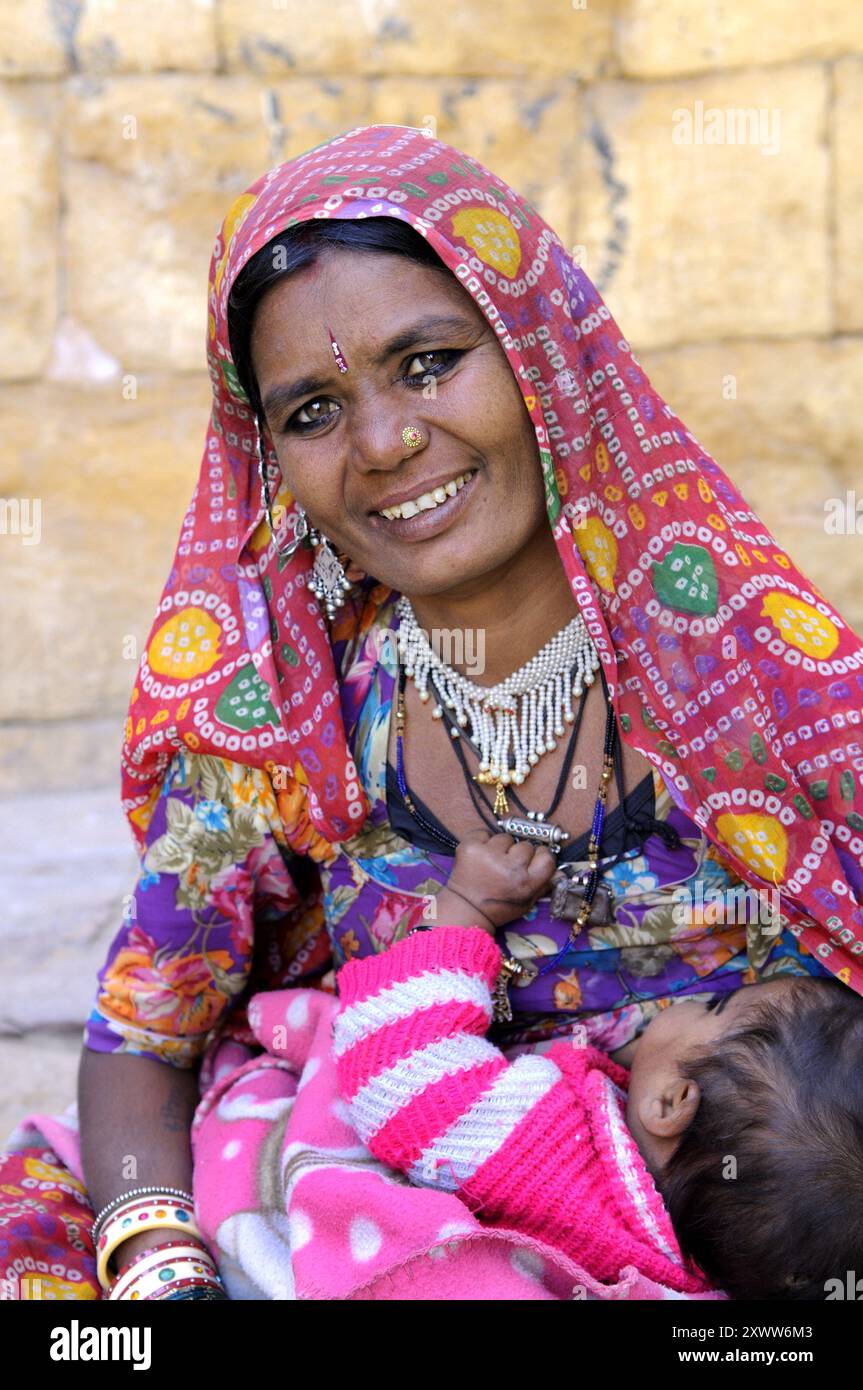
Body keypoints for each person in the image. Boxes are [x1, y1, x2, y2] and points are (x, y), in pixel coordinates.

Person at [3, 123, 862, 1300]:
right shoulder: (274, 728)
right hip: (349, 1239)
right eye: (309, 411)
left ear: (538, 359)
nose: (384, 441)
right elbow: (147, 1030)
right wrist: (161, 1266)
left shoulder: (749, 673)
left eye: (426, 362)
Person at [333, 828, 863, 1301]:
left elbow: (397, 1071)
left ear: (672, 1101)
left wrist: (466, 908)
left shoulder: (548, 1158)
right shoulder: (720, 1258)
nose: (710, 995)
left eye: (715, 1006)